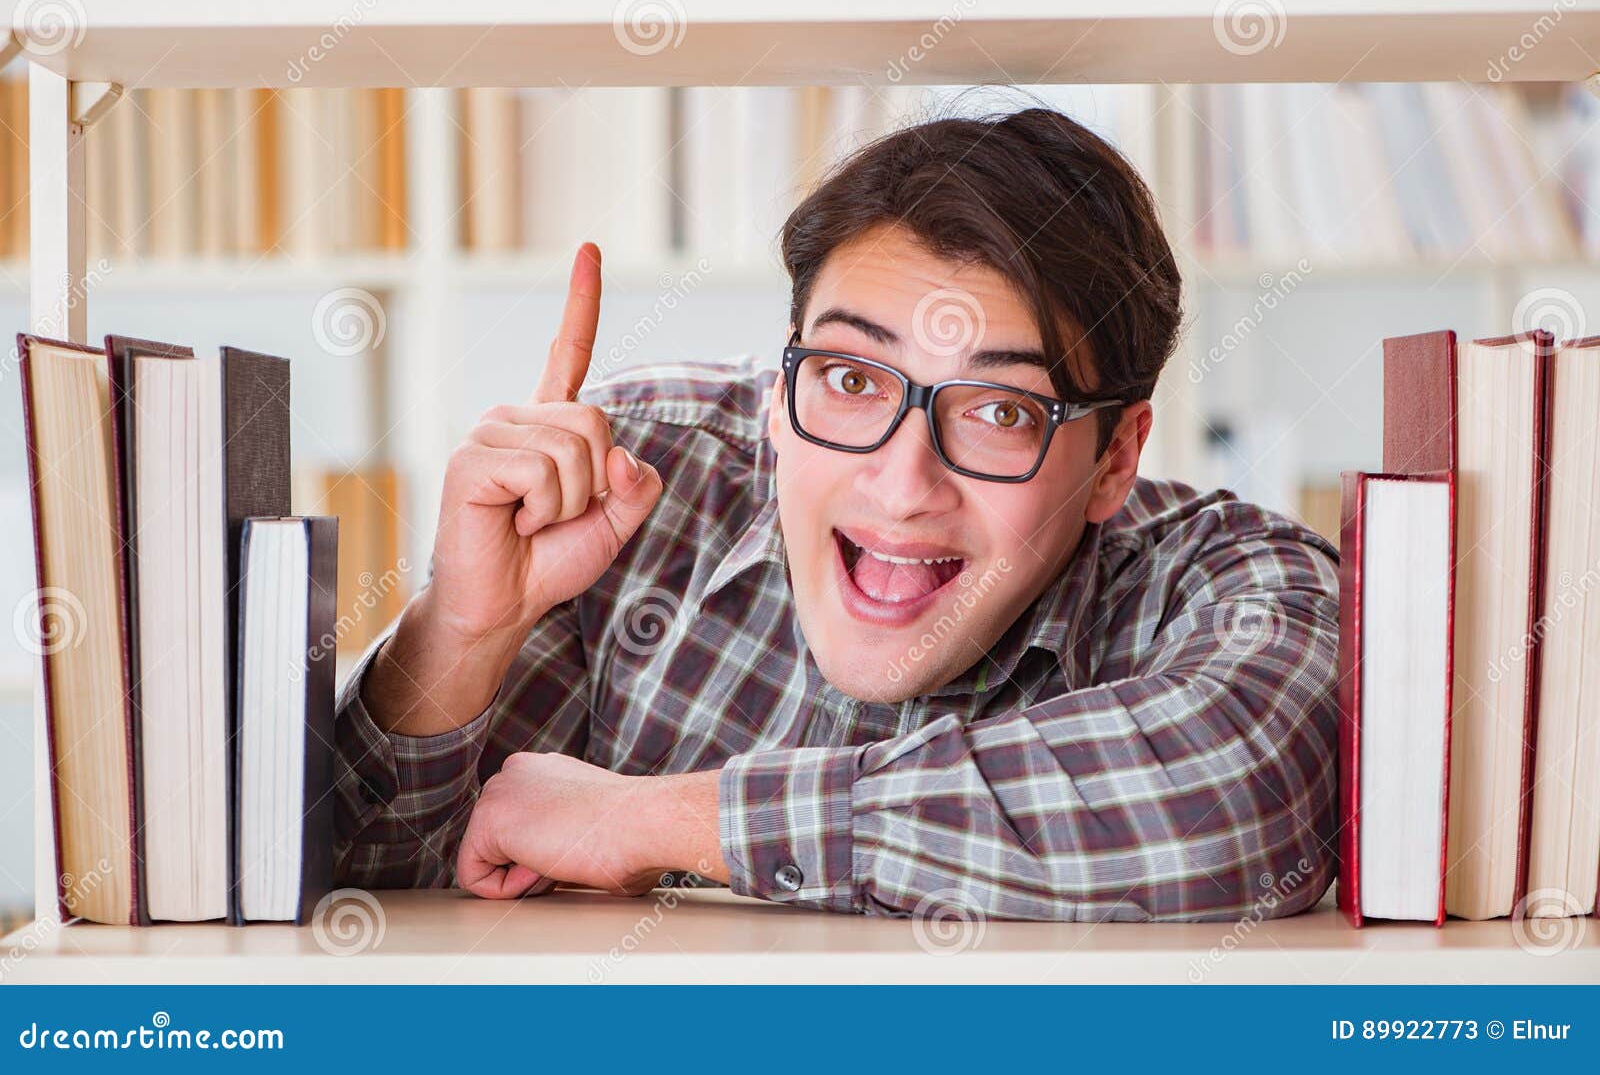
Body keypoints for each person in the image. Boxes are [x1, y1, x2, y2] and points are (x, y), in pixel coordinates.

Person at [333, 107, 1339, 922]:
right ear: (779, 384)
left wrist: (675, 821)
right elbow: (359, 890)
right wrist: (458, 632)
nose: (903, 486)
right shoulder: (634, 474)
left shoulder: (1222, 575)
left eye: (998, 411)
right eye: (851, 377)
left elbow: (1245, 795)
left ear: (1115, 456)